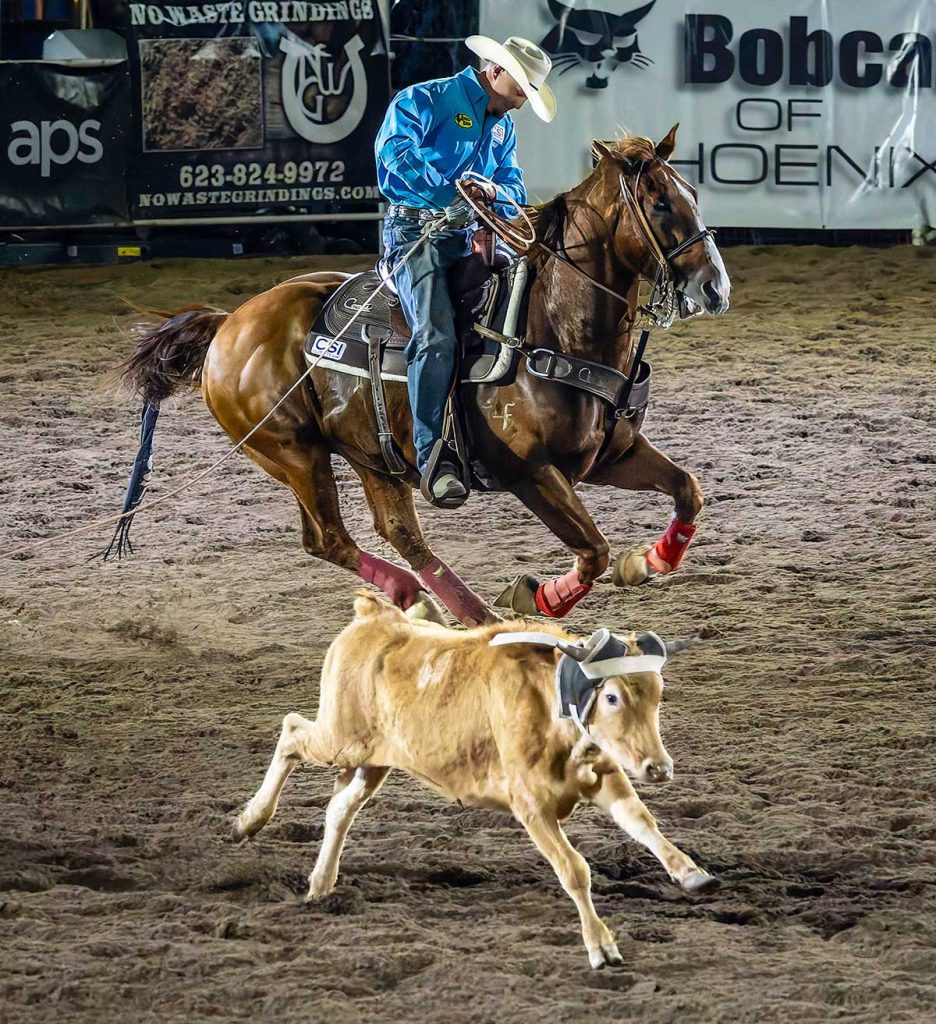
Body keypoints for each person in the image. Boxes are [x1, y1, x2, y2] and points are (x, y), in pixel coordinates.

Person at [374, 35, 557, 503]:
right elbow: (393, 157)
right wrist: (451, 196)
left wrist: (492, 198)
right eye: (521, 91)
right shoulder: (423, 99)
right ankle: (430, 452)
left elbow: (512, 183)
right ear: (496, 71)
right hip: (414, 235)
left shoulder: (501, 127)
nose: (520, 104)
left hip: (471, 237)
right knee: (435, 335)